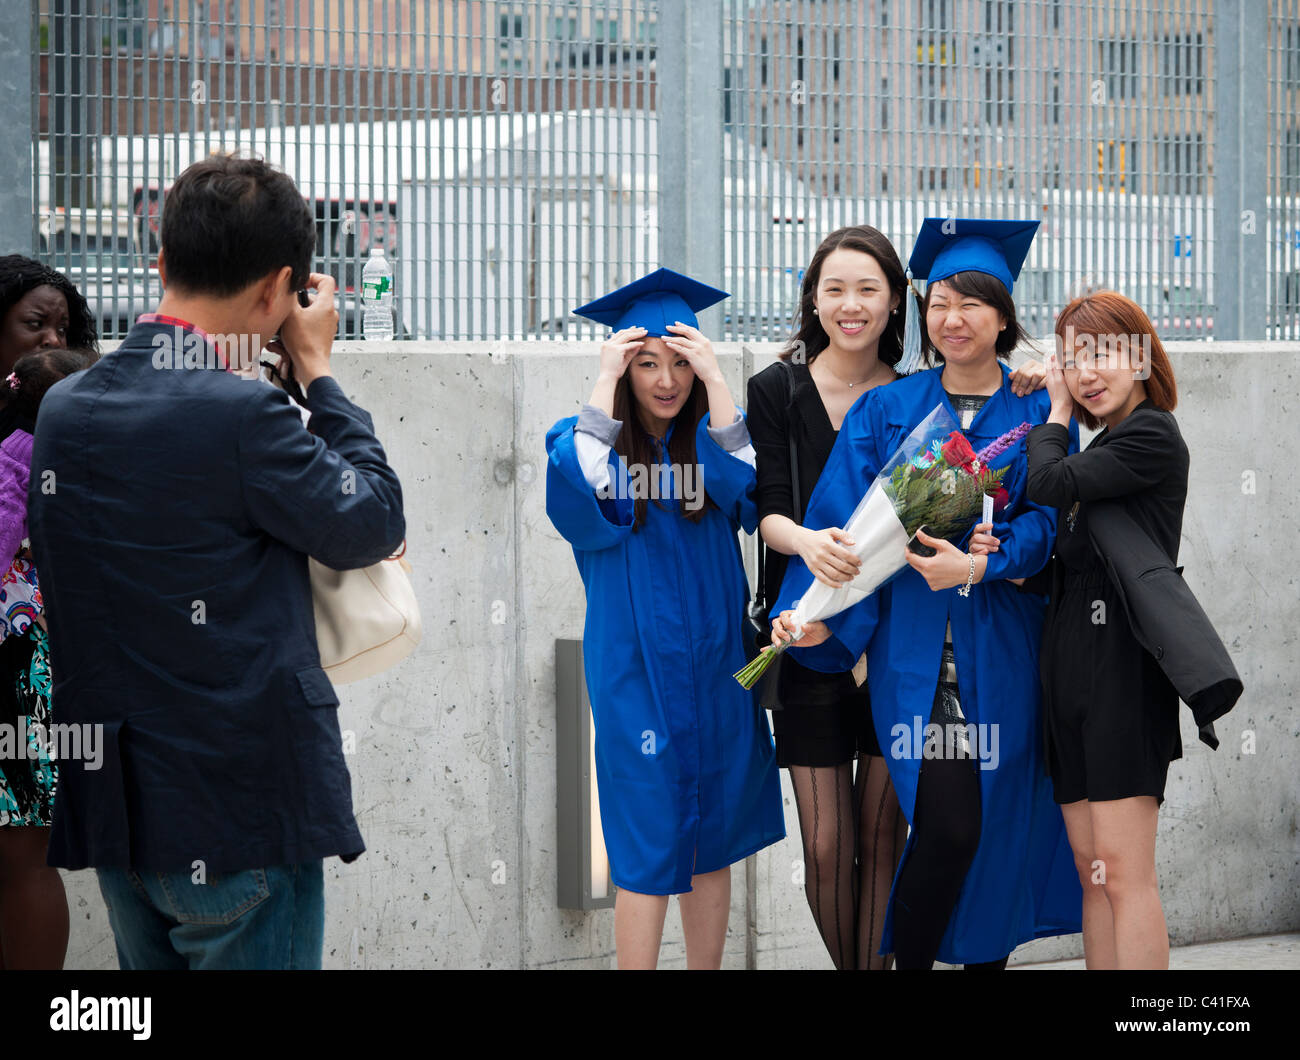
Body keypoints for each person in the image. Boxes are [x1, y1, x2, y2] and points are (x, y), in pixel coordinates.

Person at [28, 153, 406, 970]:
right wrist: (319, 373)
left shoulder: (65, 408)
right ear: (279, 288)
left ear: (160, 263)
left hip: (122, 816)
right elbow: (372, 519)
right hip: (240, 811)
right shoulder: (246, 417)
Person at [771, 218, 1083, 969]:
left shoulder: (1040, 412)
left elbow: (1053, 524)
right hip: (917, 662)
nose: (953, 318)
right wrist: (812, 614)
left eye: (973, 303)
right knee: (945, 830)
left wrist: (989, 561)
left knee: (998, 828)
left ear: (1003, 315)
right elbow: (841, 524)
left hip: (1006, 651)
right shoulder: (889, 410)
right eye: (940, 301)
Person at [545, 267, 784, 969]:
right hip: (634, 675)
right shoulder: (587, 442)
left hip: (716, 671)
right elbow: (578, 485)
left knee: (711, 838)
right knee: (647, 845)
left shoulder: (706, 445)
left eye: (680, 362)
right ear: (623, 367)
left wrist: (719, 382)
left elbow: (754, 494)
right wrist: (604, 379)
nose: (665, 379)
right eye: (646, 362)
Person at [1023, 290, 1188, 969]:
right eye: (1071, 360)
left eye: (1101, 355)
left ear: (1142, 358)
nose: (1086, 373)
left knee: (1124, 875)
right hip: (1069, 667)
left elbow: (1047, 482)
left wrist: (1055, 408)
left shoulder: (1150, 436)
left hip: (1123, 670)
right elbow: (1066, 565)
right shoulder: (1105, 449)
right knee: (1092, 871)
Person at [0, 345, 95, 971]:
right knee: (26, 857)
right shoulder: (100, 468)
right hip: (51, 676)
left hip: (19, 670)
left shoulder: (14, 458)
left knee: (20, 858)